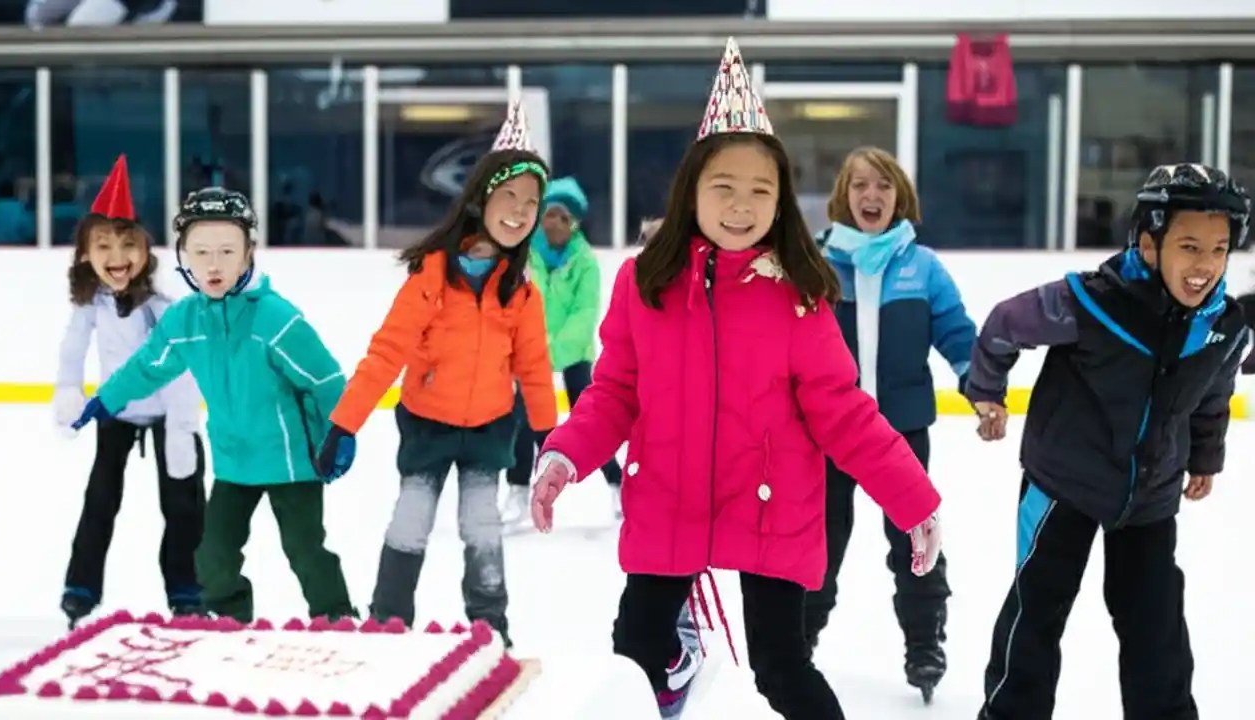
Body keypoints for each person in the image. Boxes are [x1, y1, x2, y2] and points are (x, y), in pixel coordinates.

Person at [526, 38, 943, 720]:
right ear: (692, 190)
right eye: (725, 187)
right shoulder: (645, 283)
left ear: (781, 201)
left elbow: (843, 410)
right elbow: (615, 392)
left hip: (771, 506)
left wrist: (913, 498)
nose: (742, 205)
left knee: (783, 666)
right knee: (633, 650)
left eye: (761, 190)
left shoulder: (800, 294)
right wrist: (567, 452)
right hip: (671, 499)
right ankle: (667, 681)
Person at [965, 163, 1250, 720]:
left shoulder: (1220, 324)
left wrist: (1205, 455)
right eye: (1189, 247)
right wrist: (986, 390)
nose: (1205, 267)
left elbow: (1215, 390)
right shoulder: (1089, 303)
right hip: (1062, 484)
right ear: (1149, 243)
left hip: (1150, 493)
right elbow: (1004, 323)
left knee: (1155, 624)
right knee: (1036, 611)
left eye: (1219, 251)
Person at [316, 101, 556, 647]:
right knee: (411, 519)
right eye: (508, 198)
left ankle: (490, 624)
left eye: (531, 203)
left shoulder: (520, 292)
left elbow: (535, 370)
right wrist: (344, 423)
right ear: (479, 201)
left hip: (490, 426)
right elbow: (386, 353)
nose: (520, 212)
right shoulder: (431, 277)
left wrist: (548, 436)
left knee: (482, 524)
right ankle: (388, 617)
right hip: (427, 424)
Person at [70, 186, 356, 624]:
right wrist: (108, 398)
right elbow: (148, 365)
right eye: (201, 251)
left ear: (248, 253)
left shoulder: (275, 320)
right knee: (213, 555)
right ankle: (228, 619)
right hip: (234, 463)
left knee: (304, 549)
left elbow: (327, 379)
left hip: (291, 461)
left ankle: (336, 615)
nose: (214, 264)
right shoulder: (185, 320)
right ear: (183, 254)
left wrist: (340, 432)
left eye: (227, 250)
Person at [804, 146, 976, 700]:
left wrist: (983, 388)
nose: (870, 196)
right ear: (842, 196)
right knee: (819, 544)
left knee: (915, 539)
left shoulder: (920, 266)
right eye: (859, 186)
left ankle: (925, 645)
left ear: (900, 196)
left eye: (882, 186)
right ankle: (796, 641)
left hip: (901, 431)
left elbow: (956, 332)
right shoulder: (817, 262)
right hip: (828, 434)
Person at [53, 154, 205, 629]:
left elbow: (181, 370)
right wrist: (67, 389)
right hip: (116, 414)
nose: (117, 259)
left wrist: (182, 429)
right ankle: (81, 585)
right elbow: (73, 348)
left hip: (168, 416)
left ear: (145, 249)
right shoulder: (91, 304)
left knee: (183, 504)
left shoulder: (160, 305)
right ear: (85, 253)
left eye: (127, 246)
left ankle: (188, 587)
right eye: (104, 247)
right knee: (100, 499)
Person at [502, 175, 623, 528]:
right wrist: (530, 350)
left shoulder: (584, 262)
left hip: (572, 351)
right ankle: (517, 492)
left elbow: (584, 315)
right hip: (530, 350)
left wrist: (550, 350)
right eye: (549, 214)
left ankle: (617, 485)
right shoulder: (525, 256)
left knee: (589, 421)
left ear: (575, 223)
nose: (553, 223)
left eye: (562, 217)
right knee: (521, 422)